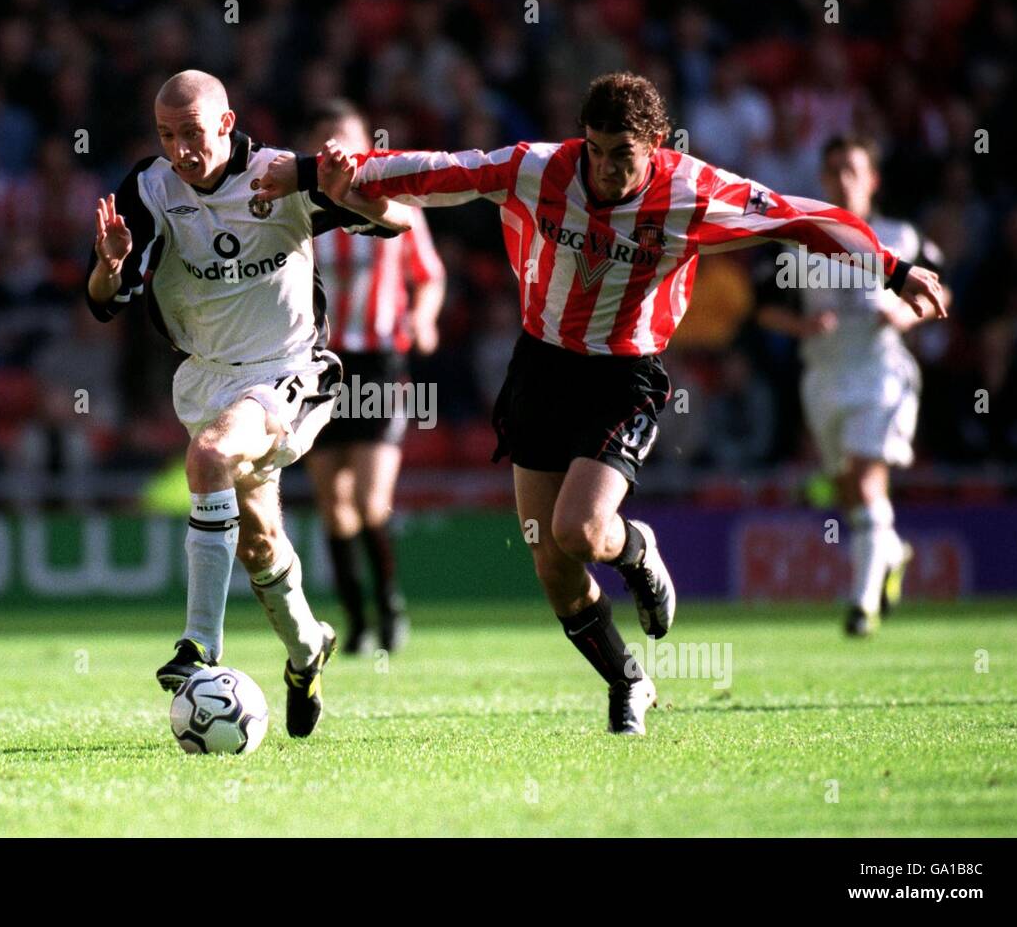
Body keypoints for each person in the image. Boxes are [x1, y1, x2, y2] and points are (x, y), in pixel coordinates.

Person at [261, 71, 946, 735]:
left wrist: (895, 268)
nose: (607, 169)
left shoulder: (692, 190)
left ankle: (636, 547)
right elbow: (444, 169)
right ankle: (628, 681)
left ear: (656, 147)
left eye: (623, 156)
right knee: (549, 560)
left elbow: (803, 219)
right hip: (540, 367)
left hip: (624, 375)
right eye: (596, 150)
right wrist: (306, 172)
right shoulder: (539, 168)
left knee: (581, 531)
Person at [87, 70, 409, 738]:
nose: (181, 150)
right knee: (259, 542)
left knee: (207, 460)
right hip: (208, 377)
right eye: (168, 136)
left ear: (227, 126)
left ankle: (199, 643)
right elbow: (106, 304)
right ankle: (306, 649)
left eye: (194, 134)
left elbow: (398, 221)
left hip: (289, 372)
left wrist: (354, 195)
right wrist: (110, 269)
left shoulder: (279, 176)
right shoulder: (149, 189)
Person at [756, 135, 948, 636]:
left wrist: (903, 314)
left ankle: (863, 605)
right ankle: (889, 551)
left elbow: (940, 287)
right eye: (834, 169)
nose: (843, 179)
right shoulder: (802, 238)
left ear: (872, 179)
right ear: (821, 178)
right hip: (823, 378)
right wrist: (802, 327)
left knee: (866, 480)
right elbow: (761, 307)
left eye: (853, 170)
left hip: (881, 373)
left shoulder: (899, 237)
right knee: (848, 492)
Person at [301, 100, 446, 654]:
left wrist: (423, 317)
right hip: (319, 364)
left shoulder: (397, 204)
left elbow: (429, 275)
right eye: (328, 142)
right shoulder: (303, 211)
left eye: (350, 140)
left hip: (381, 361)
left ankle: (390, 609)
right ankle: (356, 621)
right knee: (331, 503)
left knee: (368, 497)